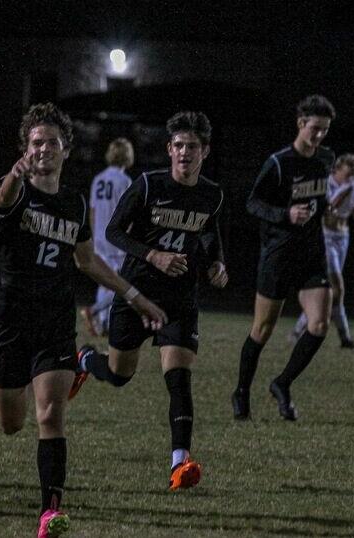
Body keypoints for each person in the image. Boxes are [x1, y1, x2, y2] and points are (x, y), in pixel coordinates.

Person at [0, 103, 166, 537]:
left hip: (54, 322)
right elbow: (0, 200)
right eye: (36, 142)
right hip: (9, 320)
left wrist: (135, 296)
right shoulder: (17, 191)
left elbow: (87, 260)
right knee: (11, 425)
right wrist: (14, 174)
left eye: (52, 143)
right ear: (26, 149)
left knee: (51, 417)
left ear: (66, 150)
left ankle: (50, 511)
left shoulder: (75, 204)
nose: (44, 149)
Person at [77, 111, 227, 492]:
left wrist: (216, 265)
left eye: (192, 146)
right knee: (119, 375)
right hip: (137, 293)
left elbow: (209, 232)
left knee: (178, 379)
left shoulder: (212, 193)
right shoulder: (147, 185)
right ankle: (83, 359)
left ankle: (180, 463)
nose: (184, 153)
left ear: (204, 151)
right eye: (178, 146)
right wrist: (153, 255)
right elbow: (112, 231)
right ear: (169, 149)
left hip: (180, 299)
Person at [232, 95, 336, 422]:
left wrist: (327, 212)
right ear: (300, 123)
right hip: (278, 255)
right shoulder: (278, 163)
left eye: (325, 130)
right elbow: (252, 203)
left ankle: (282, 383)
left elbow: (320, 200)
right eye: (315, 129)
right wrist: (286, 214)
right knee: (261, 330)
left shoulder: (326, 159)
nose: (319, 136)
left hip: (311, 256)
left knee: (319, 324)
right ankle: (241, 391)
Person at [290, 153, 354, 348]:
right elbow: (327, 208)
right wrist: (342, 195)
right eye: (347, 175)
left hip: (343, 238)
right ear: (337, 170)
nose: (350, 179)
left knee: (330, 292)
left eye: (353, 176)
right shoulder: (326, 184)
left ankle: (299, 331)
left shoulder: (352, 186)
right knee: (337, 287)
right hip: (326, 238)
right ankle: (344, 336)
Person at [80, 137, 134, 336]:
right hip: (117, 239)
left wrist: (94, 236)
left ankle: (103, 324)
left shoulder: (98, 179)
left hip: (100, 236)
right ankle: (94, 311)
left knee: (105, 279)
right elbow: (128, 214)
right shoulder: (125, 181)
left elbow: (93, 211)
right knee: (122, 283)